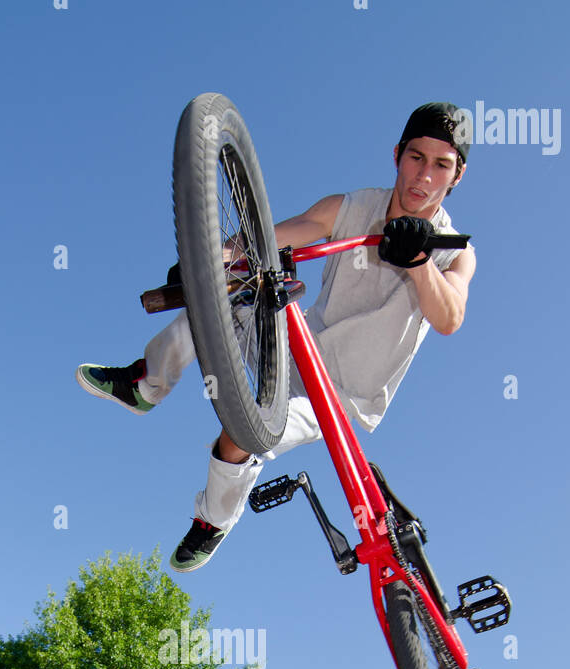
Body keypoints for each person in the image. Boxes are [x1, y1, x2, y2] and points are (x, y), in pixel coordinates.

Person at [77, 102, 474, 573]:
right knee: (228, 298)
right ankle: (146, 384)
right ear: (396, 155)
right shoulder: (351, 207)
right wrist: (208, 260)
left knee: (238, 434)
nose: (423, 176)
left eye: (440, 165)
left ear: (457, 176)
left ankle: (212, 521)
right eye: (416, 157)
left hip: (343, 398)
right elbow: (271, 238)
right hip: (298, 354)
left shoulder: (456, 251)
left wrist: (419, 261)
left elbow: (449, 316)